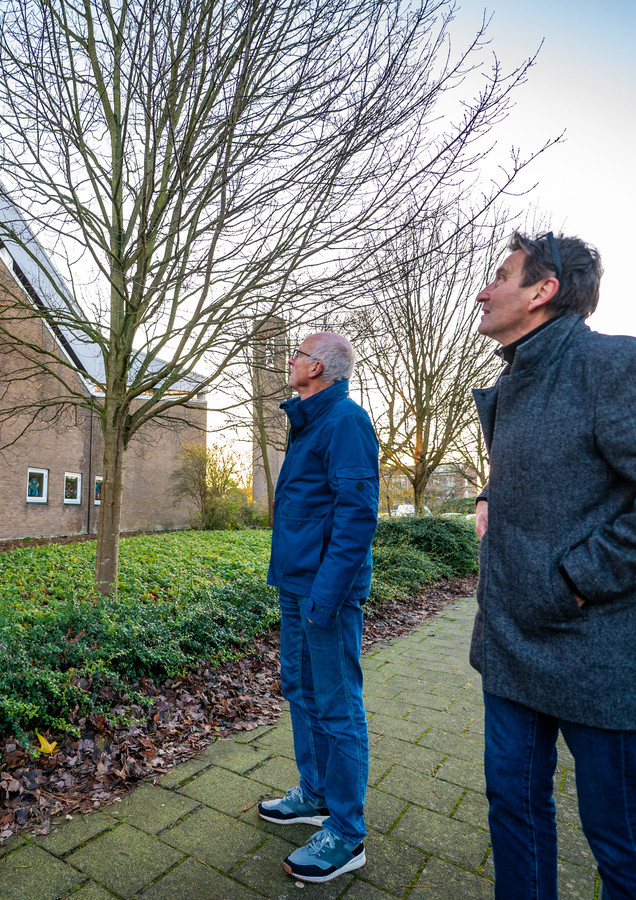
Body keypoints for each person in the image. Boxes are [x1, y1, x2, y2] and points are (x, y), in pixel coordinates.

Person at [470, 232, 636, 899]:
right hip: (509, 649)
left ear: (543, 290)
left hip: (597, 658)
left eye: (500, 275)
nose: (483, 289)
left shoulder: (613, 366)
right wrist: (488, 492)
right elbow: (560, 474)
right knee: (514, 815)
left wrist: (576, 581)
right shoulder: (515, 378)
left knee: (619, 841)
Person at [259, 331, 380, 883]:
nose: (290, 360)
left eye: (299, 354)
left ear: (321, 368)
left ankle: (348, 833)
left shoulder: (345, 421)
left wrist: (326, 598)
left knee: (337, 706)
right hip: (295, 584)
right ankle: (315, 794)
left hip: (324, 593)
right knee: (299, 689)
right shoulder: (307, 421)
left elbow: (357, 517)